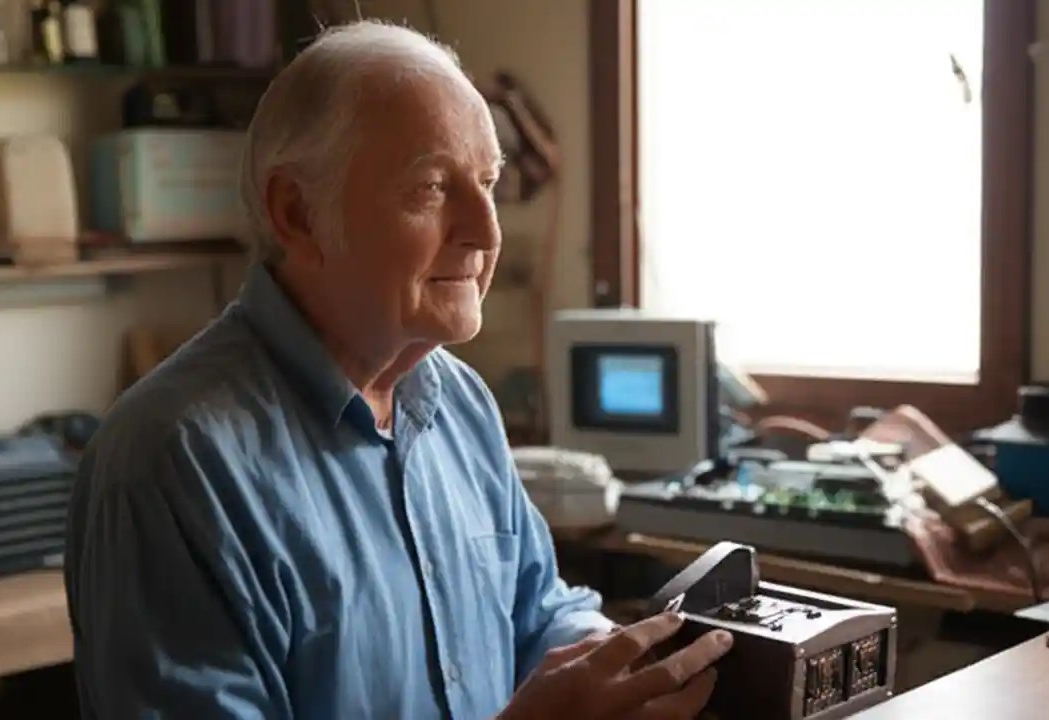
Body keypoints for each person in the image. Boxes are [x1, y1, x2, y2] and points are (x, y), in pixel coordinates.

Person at [64, 19, 732, 720]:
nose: (486, 232)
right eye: (432, 188)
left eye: (487, 183)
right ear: (296, 213)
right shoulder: (171, 463)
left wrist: (632, 665)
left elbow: (537, 613)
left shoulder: (461, 403)